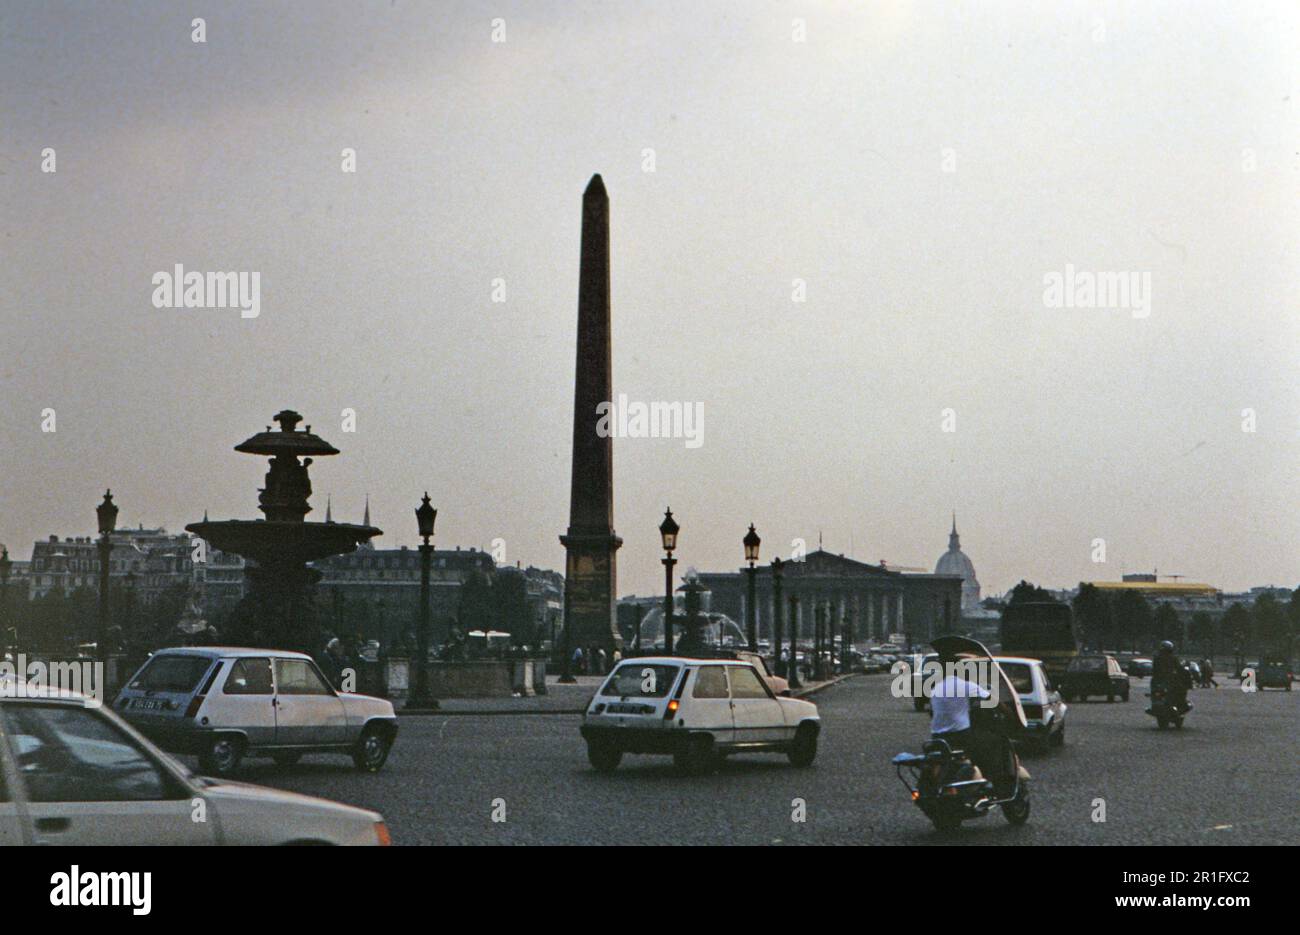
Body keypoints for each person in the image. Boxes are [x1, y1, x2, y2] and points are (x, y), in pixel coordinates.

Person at [928, 649, 1017, 794]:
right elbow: (993, 701)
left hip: (937, 736)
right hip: (960, 735)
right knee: (993, 742)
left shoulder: (935, 688)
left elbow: (932, 712)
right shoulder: (966, 685)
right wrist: (1009, 712)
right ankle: (992, 780)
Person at [1151, 641, 1191, 713]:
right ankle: (1182, 704)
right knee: (1181, 690)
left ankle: (1156, 702)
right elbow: (1179, 668)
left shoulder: (1157, 658)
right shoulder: (1173, 658)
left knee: (1155, 689)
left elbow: (1154, 670)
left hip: (1159, 680)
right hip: (1169, 680)